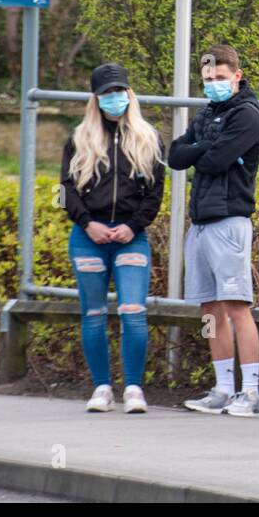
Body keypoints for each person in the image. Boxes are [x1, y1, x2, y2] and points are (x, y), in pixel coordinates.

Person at [60, 63, 165, 414]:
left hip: (130, 237)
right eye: (107, 93)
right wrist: (88, 223)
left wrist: (133, 226)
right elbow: (66, 191)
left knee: (133, 311)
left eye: (120, 92)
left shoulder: (148, 138)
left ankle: (134, 388)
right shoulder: (78, 139)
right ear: (96, 99)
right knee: (92, 314)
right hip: (88, 237)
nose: (114, 98)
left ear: (129, 94)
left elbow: (155, 193)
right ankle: (102, 387)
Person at [169, 45, 259, 417]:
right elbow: (175, 156)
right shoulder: (207, 113)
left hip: (229, 222)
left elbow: (212, 160)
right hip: (200, 223)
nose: (214, 85)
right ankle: (223, 388)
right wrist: (202, 146)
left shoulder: (247, 116)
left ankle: (252, 393)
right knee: (210, 310)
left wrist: (200, 147)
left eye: (221, 79)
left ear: (237, 76)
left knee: (237, 306)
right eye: (208, 80)